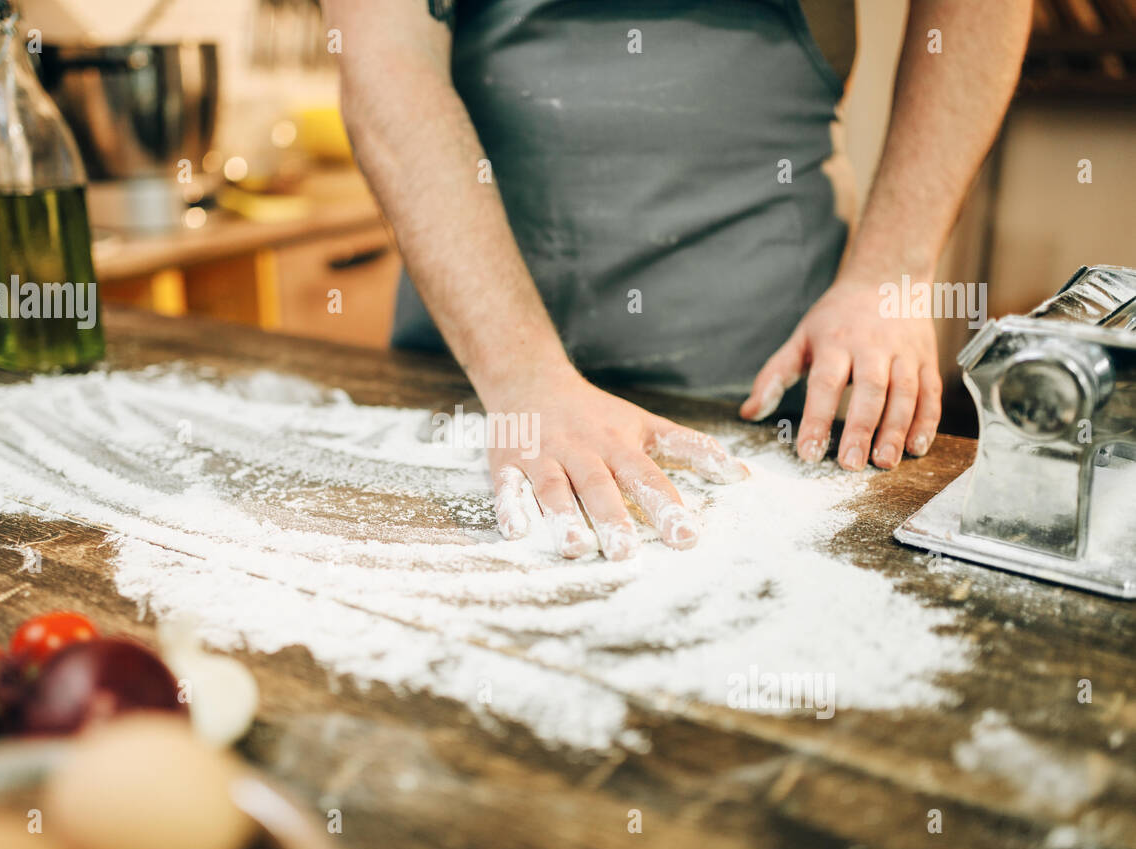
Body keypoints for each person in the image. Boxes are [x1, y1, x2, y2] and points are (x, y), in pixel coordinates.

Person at [323, 0, 1032, 559]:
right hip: (476, 391)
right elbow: (385, 57)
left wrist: (889, 273)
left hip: (768, 398)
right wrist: (520, 372)